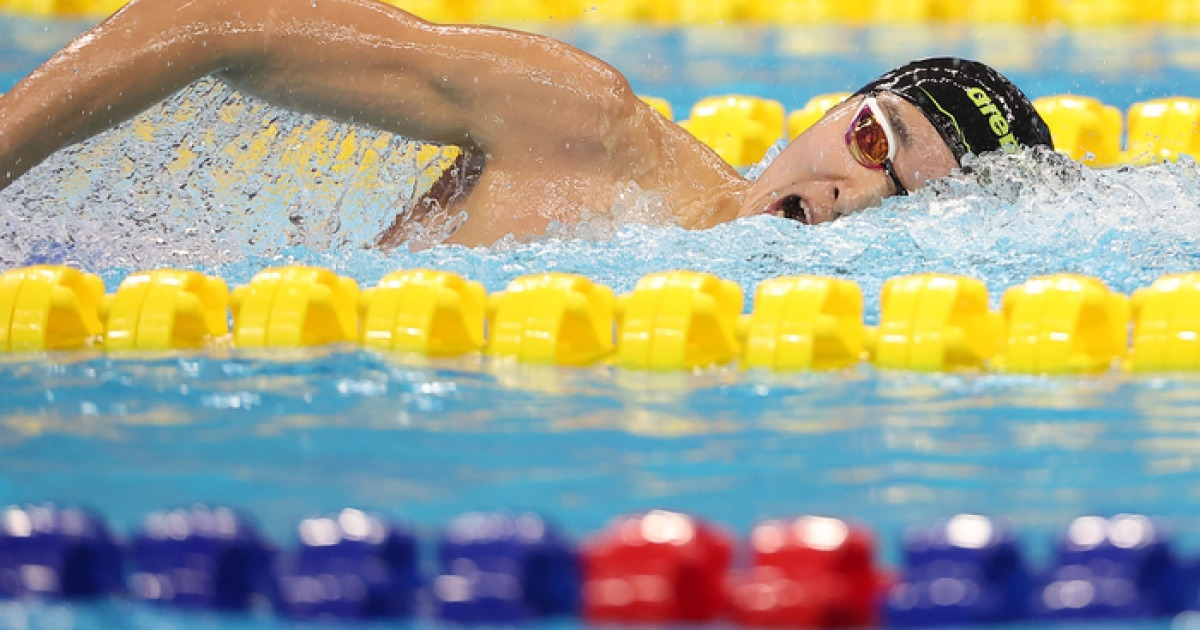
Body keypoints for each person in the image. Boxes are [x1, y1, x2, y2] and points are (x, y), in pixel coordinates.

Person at [0, 0, 1053, 248]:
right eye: (874, 143)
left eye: (907, 201)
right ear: (834, 112)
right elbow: (216, 16)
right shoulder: (582, 126)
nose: (854, 193)